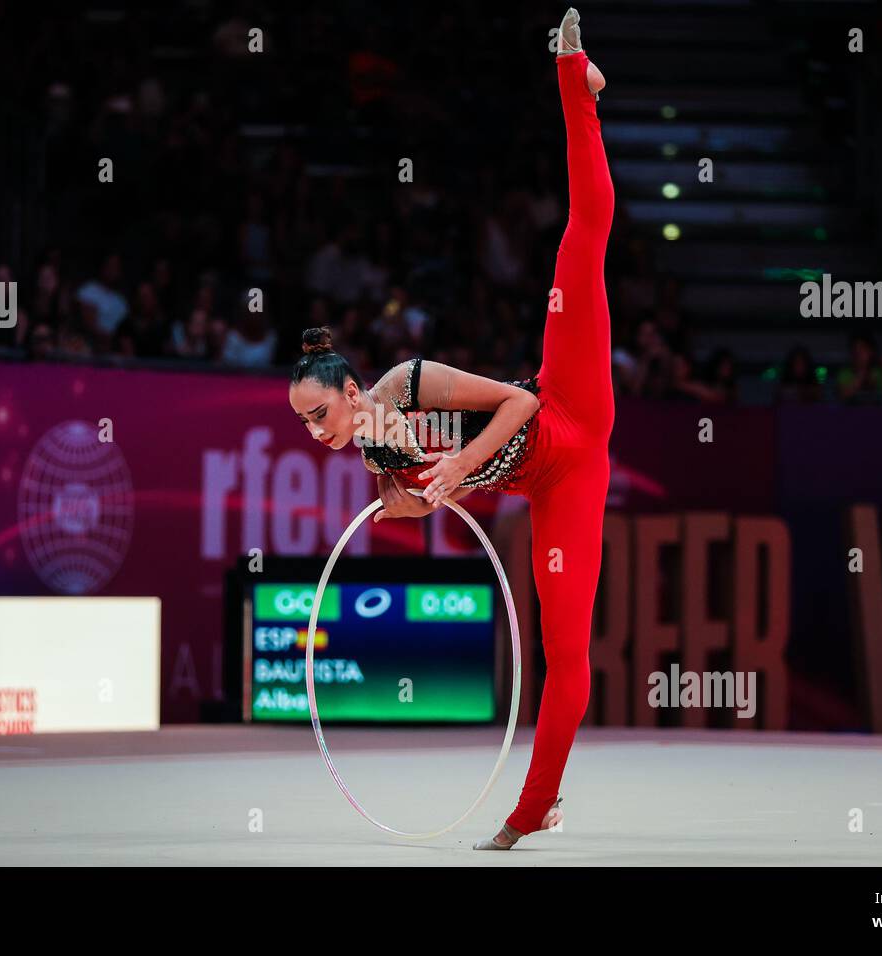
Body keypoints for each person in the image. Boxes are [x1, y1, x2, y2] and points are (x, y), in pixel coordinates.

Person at [288, 8, 611, 850]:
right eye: (304, 424)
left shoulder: (409, 383)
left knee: (579, 245)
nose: (316, 433)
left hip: (569, 403)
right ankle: (538, 805)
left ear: (353, 391)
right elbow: (431, 500)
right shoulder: (375, 452)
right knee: (563, 654)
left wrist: (460, 465)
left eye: (319, 414)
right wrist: (414, 502)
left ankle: (574, 82)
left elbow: (520, 404)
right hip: (557, 484)